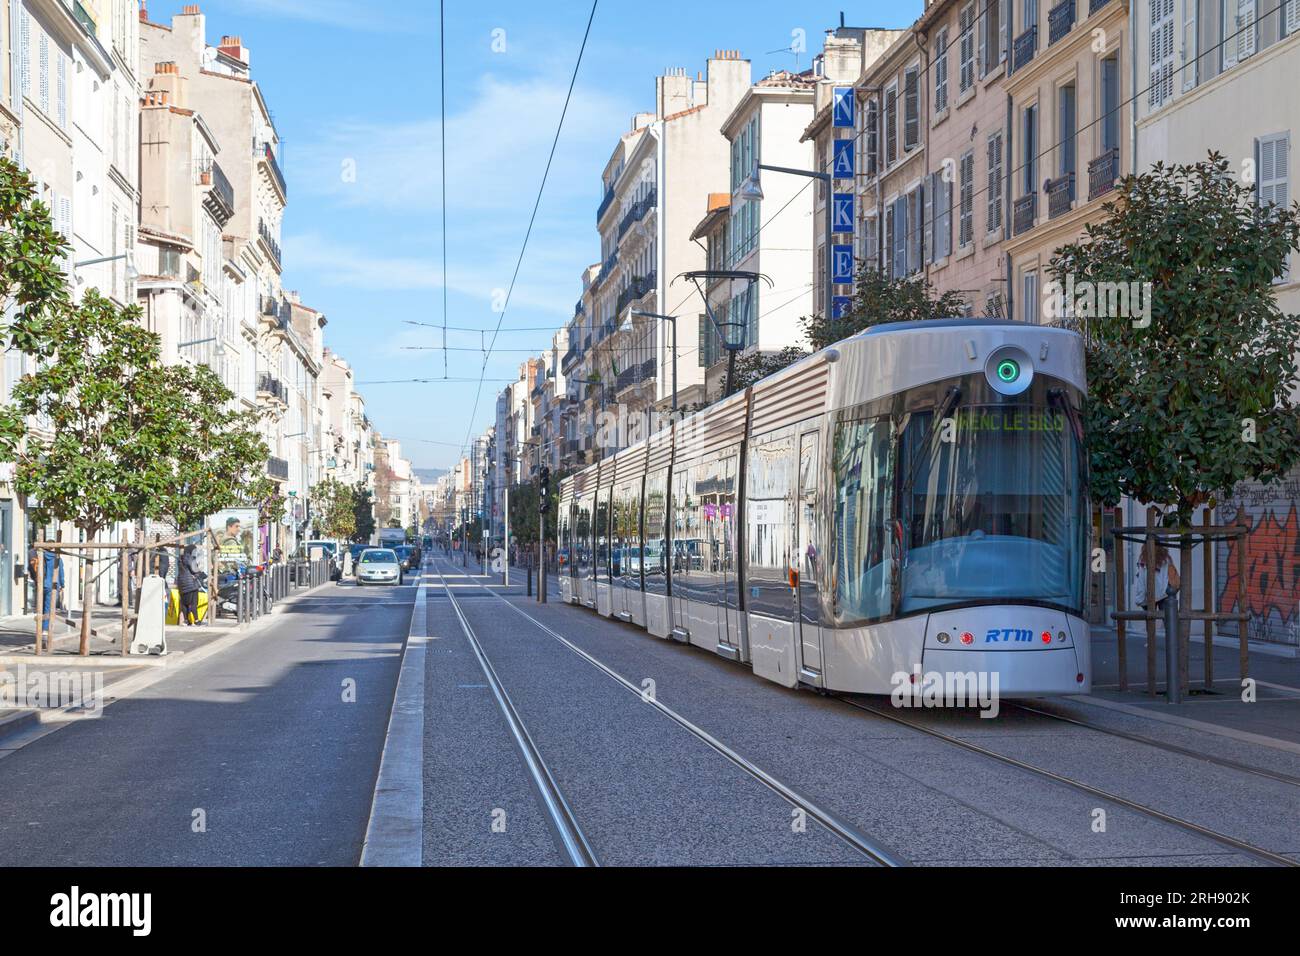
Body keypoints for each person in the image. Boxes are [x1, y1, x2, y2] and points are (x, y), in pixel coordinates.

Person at [1133, 541, 1180, 610]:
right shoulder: (1166, 558)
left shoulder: (1143, 559)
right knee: (1168, 618)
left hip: (1151, 594)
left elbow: (1141, 581)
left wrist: (1139, 599)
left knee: (1151, 617)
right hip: (1165, 593)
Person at [177, 544, 204, 626]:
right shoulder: (190, 558)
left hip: (182, 583)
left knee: (184, 603)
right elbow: (194, 570)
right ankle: (196, 620)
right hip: (190, 583)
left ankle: (186, 620)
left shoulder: (180, 559)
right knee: (193, 603)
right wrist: (199, 572)